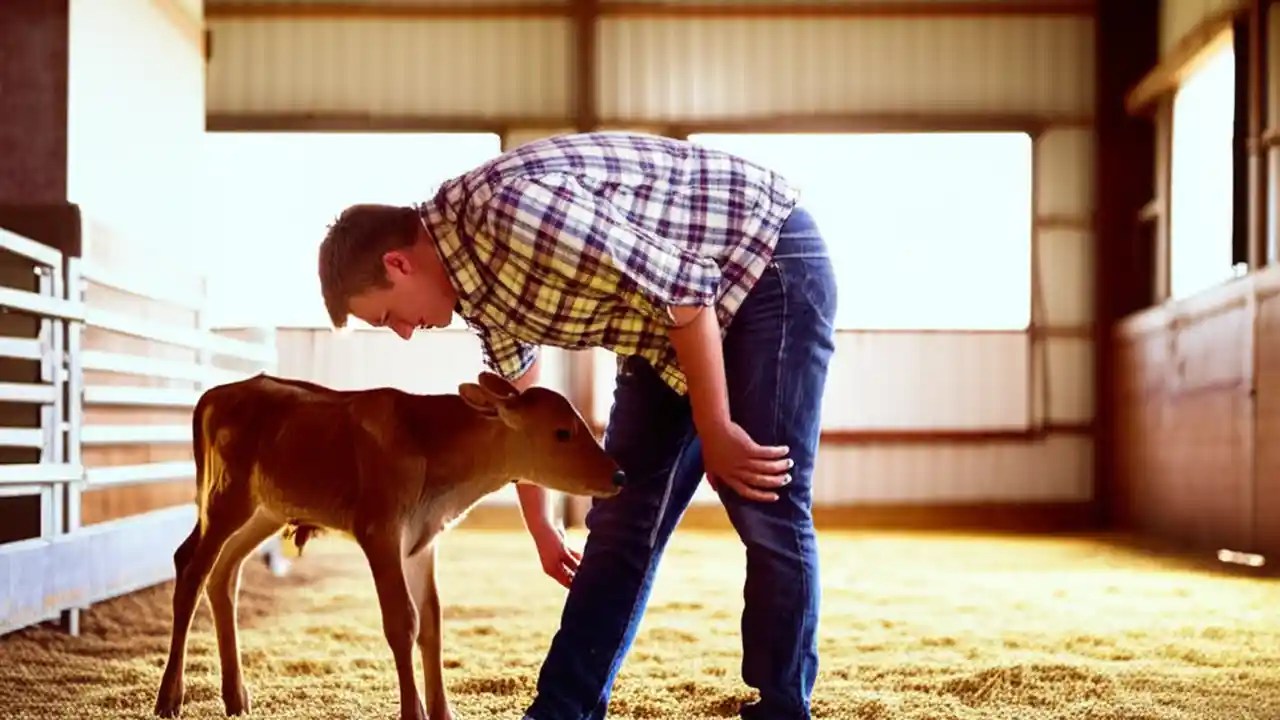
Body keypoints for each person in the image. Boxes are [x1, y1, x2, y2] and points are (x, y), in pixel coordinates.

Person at [316, 131, 838, 720]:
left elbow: (688, 289)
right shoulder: (475, 289)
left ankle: (782, 706)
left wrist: (714, 429)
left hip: (764, 264)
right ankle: (562, 711)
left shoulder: (510, 214)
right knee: (619, 516)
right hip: (663, 329)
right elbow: (522, 408)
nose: (404, 333)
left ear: (397, 263)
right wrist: (540, 522)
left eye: (388, 316)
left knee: (763, 496)